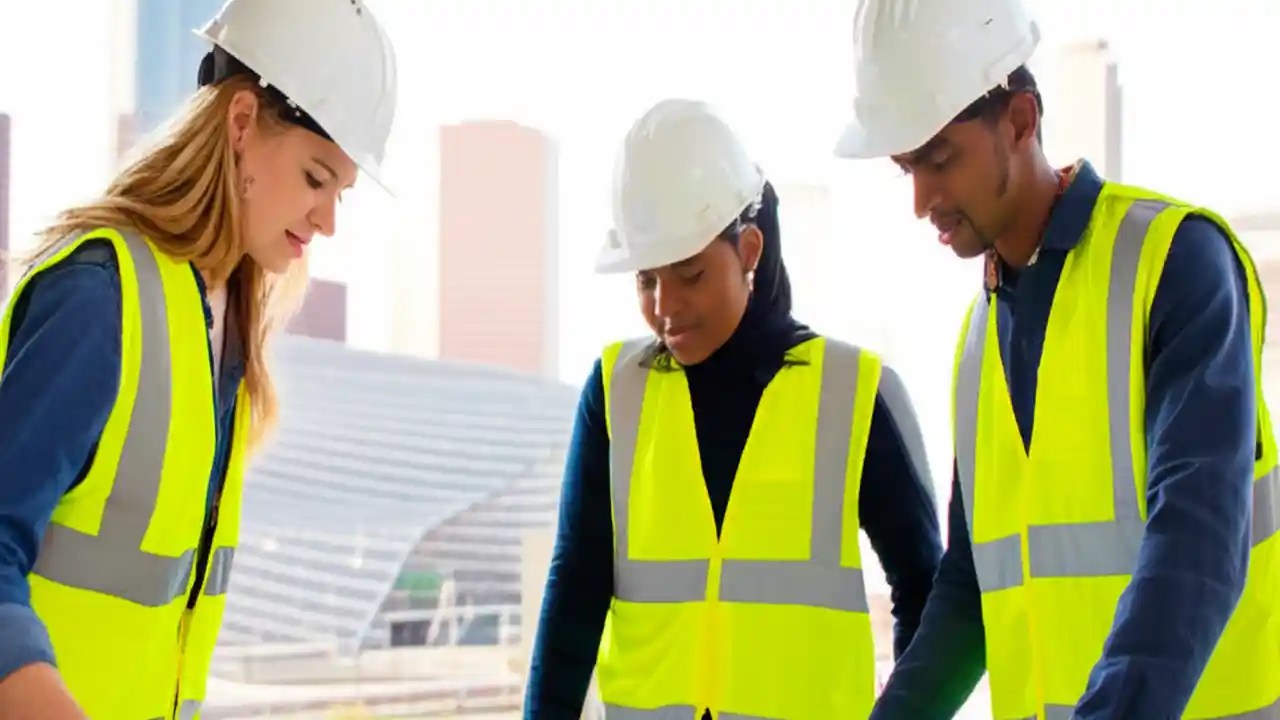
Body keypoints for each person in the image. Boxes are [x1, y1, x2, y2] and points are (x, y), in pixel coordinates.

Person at [833, 1, 1280, 718]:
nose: (922, 199)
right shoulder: (979, 337)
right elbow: (969, 589)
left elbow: (1197, 536)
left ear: (1019, 120)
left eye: (940, 158)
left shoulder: (1174, 263)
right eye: (906, 168)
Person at [0, 0, 397, 717]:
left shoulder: (220, 326)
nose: (328, 220)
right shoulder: (100, 301)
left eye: (341, 192)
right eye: (315, 179)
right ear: (241, 123)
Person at [524, 98, 944, 720]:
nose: (664, 306)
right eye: (646, 280)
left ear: (749, 249)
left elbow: (926, 597)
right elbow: (575, 594)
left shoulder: (855, 394)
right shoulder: (617, 392)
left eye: (689, 275)